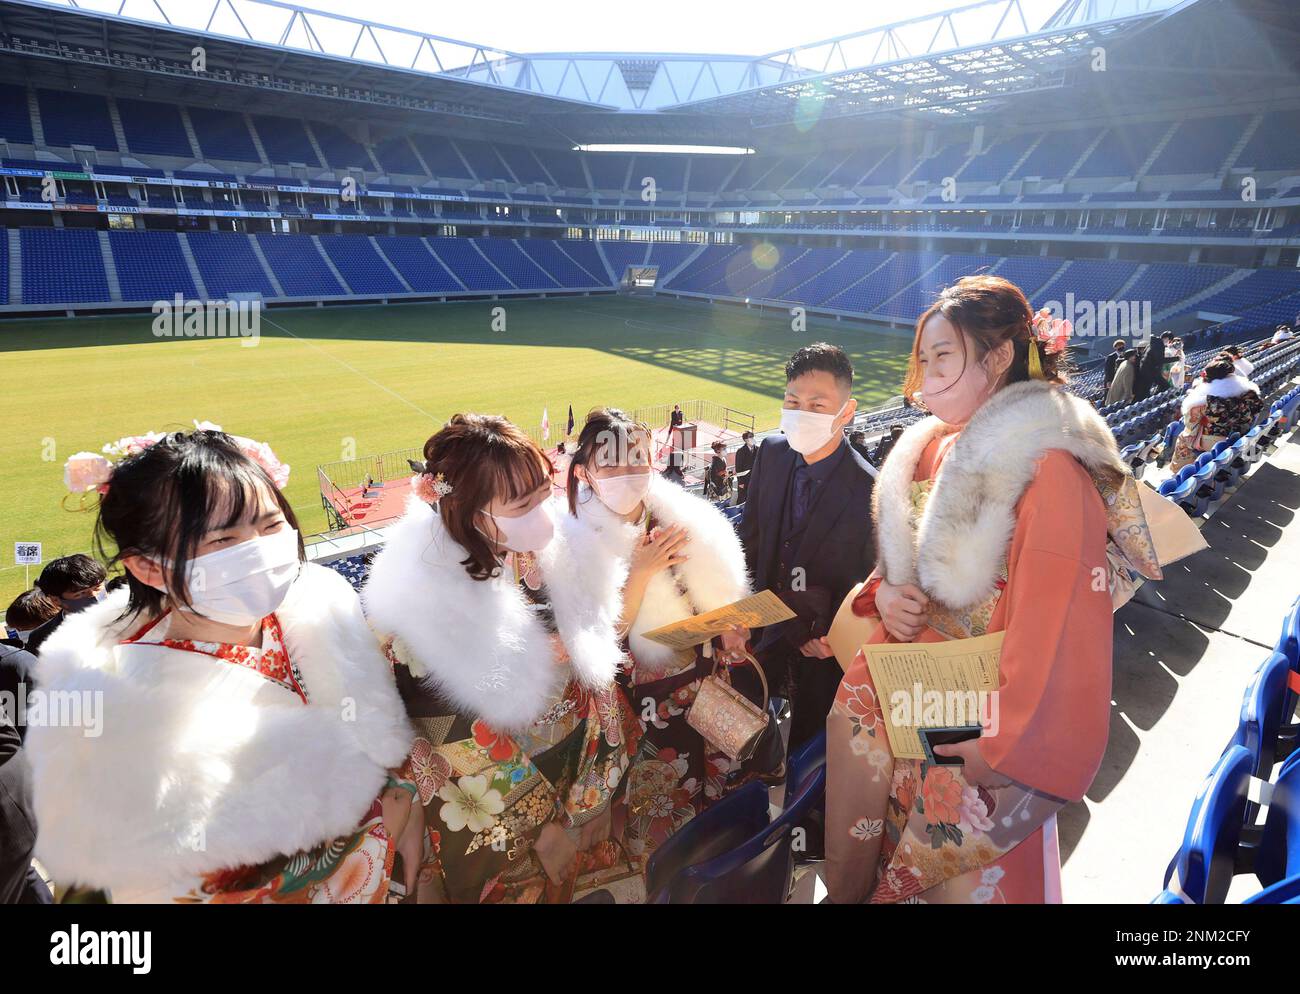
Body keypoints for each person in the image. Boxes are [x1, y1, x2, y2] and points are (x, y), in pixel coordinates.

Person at [827, 274, 1158, 904]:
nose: (925, 373)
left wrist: (996, 747)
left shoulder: (1053, 472)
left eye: (943, 356)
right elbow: (900, 572)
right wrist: (886, 595)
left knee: (956, 886)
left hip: (982, 739)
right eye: (922, 358)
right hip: (913, 710)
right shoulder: (934, 449)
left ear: (1000, 357)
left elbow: (1056, 631)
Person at [26, 427, 414, 903]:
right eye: (223, 539)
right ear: (149, 567)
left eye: (271, 526)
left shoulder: (316, 605)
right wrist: (377, 825)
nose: (260, 550)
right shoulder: (127, 719)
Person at [362, 413, 639, 903]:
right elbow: (447, 734)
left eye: (543, 493)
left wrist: (592, 793)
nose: (542, 511)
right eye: (521, 502)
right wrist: (539, 825)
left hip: (575, 765)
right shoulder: (419, 594)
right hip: (494, 802)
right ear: (469, 511)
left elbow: (593, 671)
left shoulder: (547, 552)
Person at [559, 408, 764, 871]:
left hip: (703, 681)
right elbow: (600, 636)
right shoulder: (572, 538)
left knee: (713, 796)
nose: (627, 474)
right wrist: (642, 570)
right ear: (585, 472)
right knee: (654, 809)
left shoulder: (681, 514)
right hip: (635, 704)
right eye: (610, 464)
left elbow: (713, 592)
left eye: (637, 460)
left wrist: (731, 626)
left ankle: (714, 877)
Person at [738, 342, 877, 754]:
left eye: (818, 405)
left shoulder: (870, 487)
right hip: (760, 630)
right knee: (744, 741)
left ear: (846, 412)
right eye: (792, 401)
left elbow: (868, 578)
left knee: (809, 751)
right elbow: (752, 538)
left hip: (821, 649)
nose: (801, 414)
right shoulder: (772, 452)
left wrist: (835, 635)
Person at [1169, 354, 1263, 470]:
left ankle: (1180, 471)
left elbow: (1190, 426)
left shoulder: (1207, 402)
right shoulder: (1249, 393)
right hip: (1240, 436)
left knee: (1183, 437)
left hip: (1218, 441)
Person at [23, 555, 108, 655]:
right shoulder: (41, 639)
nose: (94, 596)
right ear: (55, 600)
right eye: (81, 593)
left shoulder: (127, 613)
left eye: (97, 587)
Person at [734, 430, 756, 505]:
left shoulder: (759, 449)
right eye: (750, 437)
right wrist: (741, 482)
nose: (752, 438)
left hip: (755, 479)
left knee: (753, 498)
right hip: (744, 480)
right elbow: (738, 468)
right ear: (746, 440)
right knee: (742, 499)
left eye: (753, 436)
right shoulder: (740, 451)